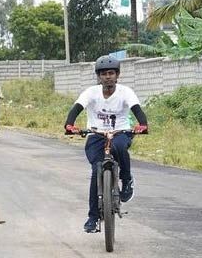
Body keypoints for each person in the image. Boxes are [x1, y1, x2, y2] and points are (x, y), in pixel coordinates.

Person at [63, 55, 149, 233]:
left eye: (111, 73)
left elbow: (137, 110)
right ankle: (93, 217)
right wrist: (69, 125)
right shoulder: (91, 93)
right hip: (96, 134)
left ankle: (126, 180)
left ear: (117, 75)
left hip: (120, 132)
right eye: (103, 74)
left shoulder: (126, 92)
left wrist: (142, 125)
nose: (108, 77)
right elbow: (77, 108)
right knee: (97, 170)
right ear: (98, 76)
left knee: (119, 147)